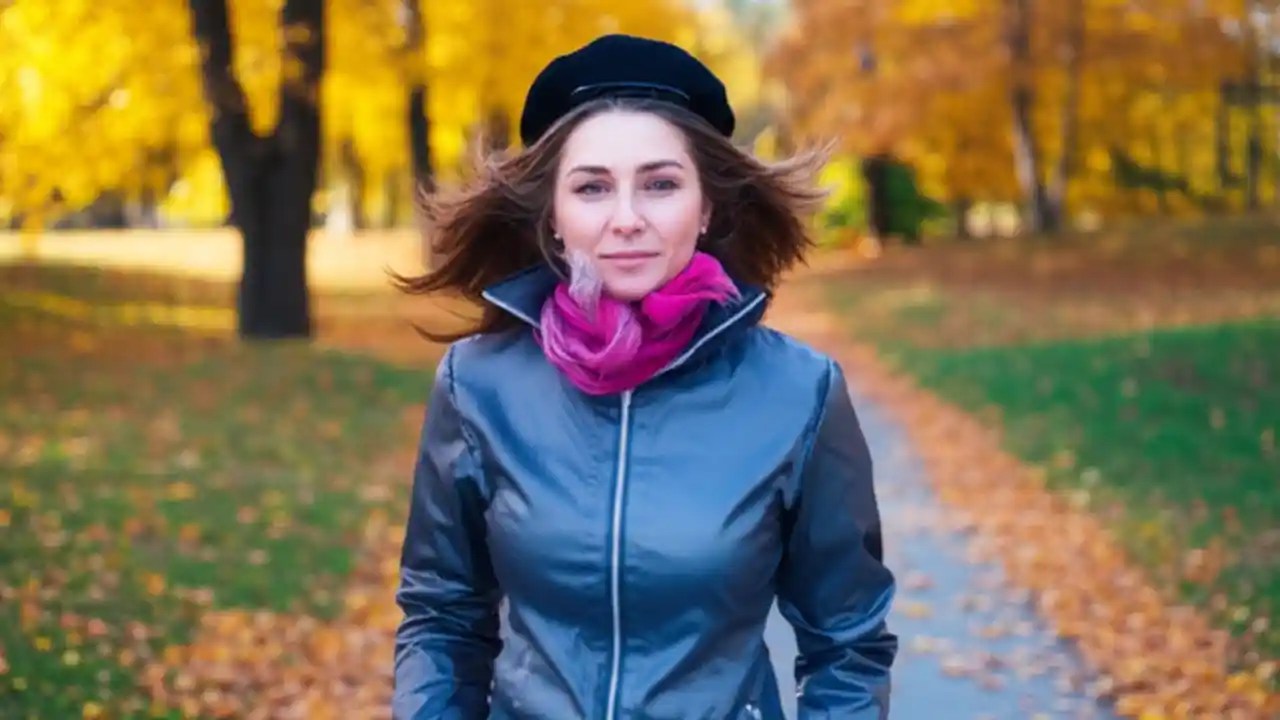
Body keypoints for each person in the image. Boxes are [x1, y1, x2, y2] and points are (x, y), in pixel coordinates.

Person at [391, 33, 897, 720]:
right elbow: (442, 617)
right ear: (555, 218)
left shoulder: (799, 393)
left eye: (660, 184)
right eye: (593, 187)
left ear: (707, 206)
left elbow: (849, 643)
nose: (626, 219)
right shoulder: (477, 386)